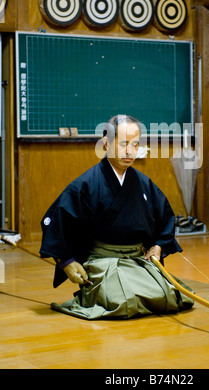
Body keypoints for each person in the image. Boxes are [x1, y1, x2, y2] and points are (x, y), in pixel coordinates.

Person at [40, 114, 194, 319]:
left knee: (171, 298)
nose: (130, 151)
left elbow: (165, 215)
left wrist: (158, 246)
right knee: (122, 302)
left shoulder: (143, 183)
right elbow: (55, 221)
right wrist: (66, 261)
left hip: (137, 260)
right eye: (123, 144)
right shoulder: (86, 184)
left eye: (135, 144)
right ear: (106, 144)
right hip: (103, 263)